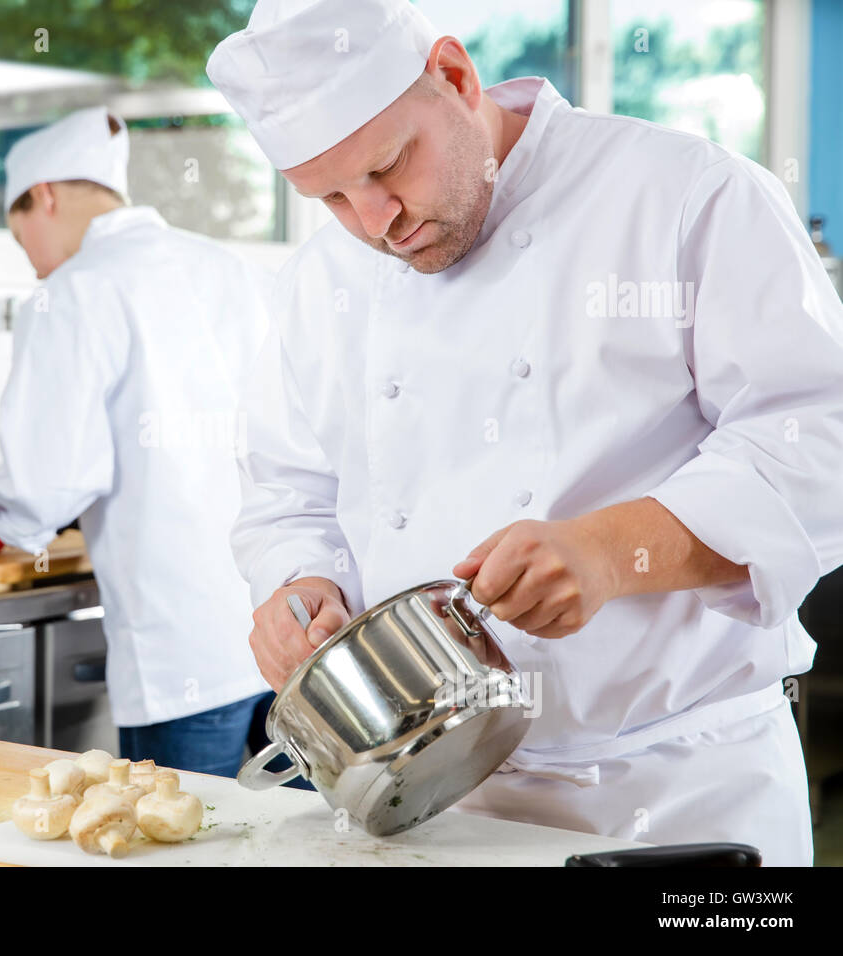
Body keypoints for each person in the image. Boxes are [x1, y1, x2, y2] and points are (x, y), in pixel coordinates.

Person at [206, 0, 843, 865]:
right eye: (331, 198)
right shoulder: (321, 282)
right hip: (431, 800)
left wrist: (614, 551)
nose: (377, 222)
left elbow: (817, 440)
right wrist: (296, 587)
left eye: (392, 165)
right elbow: (290, 492)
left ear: (456, 76)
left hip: (681, 789)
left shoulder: (687, 193)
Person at [0, 107, 278, 778]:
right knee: (303, 845)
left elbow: (50, 482)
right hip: (282, 624)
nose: (34, 265)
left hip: (178, 646)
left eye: (22, 239)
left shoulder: (73, 291)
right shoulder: (227, 267)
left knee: (173, 846)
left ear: (43, 195)